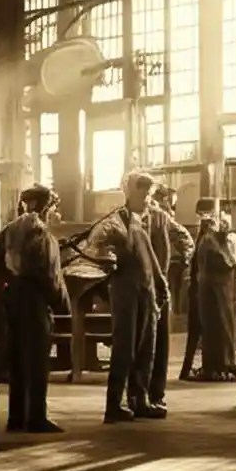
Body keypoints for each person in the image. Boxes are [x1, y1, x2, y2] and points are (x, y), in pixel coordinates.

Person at [0, 185, 72, 434]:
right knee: (36, 360)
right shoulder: (41, 234)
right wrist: (59, 300)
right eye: (53, 207)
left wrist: (7, 277)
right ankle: (36, 417)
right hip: (34, 299)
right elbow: (48, 274)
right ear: (46, 206)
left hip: (12, 296)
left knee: (17, 360)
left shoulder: (11, 230)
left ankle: (16, 418)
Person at [84, 171, 170, 422]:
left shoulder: (147, 223)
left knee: (147, 346)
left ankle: (140, 399)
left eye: (148, 192)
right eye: (141, 191)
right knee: (125, 346)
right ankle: (114, 404)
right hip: (125, 290)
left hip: (147, 290)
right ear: (128, 192)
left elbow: (152, 258)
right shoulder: (113, 222)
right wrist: (107, 259)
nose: (146, 197)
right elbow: (96, 248)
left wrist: (161, 284)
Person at [143, 187, 193, 408]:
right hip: (144, 283)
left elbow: (185, 239)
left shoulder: (160, 218)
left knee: (159, 339)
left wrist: (179, 266)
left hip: (159, 283)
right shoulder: (131, 217)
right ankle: (145, 393)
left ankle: (154, 393)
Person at [194, 206, 236, 381]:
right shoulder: (210, 242)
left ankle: (221, 364)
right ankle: (222, 364)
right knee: (220, 326)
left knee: (221, 326)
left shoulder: (210, 241)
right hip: (216, 289)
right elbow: (226, 262)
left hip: (215, 288)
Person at [180, 200, 217, 380]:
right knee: (199, 329)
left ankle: (188, 369)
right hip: (199, 288)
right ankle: (192, 369)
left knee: (197, 330)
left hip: (198, 287)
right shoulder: (207, 237)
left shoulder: (205, 236)